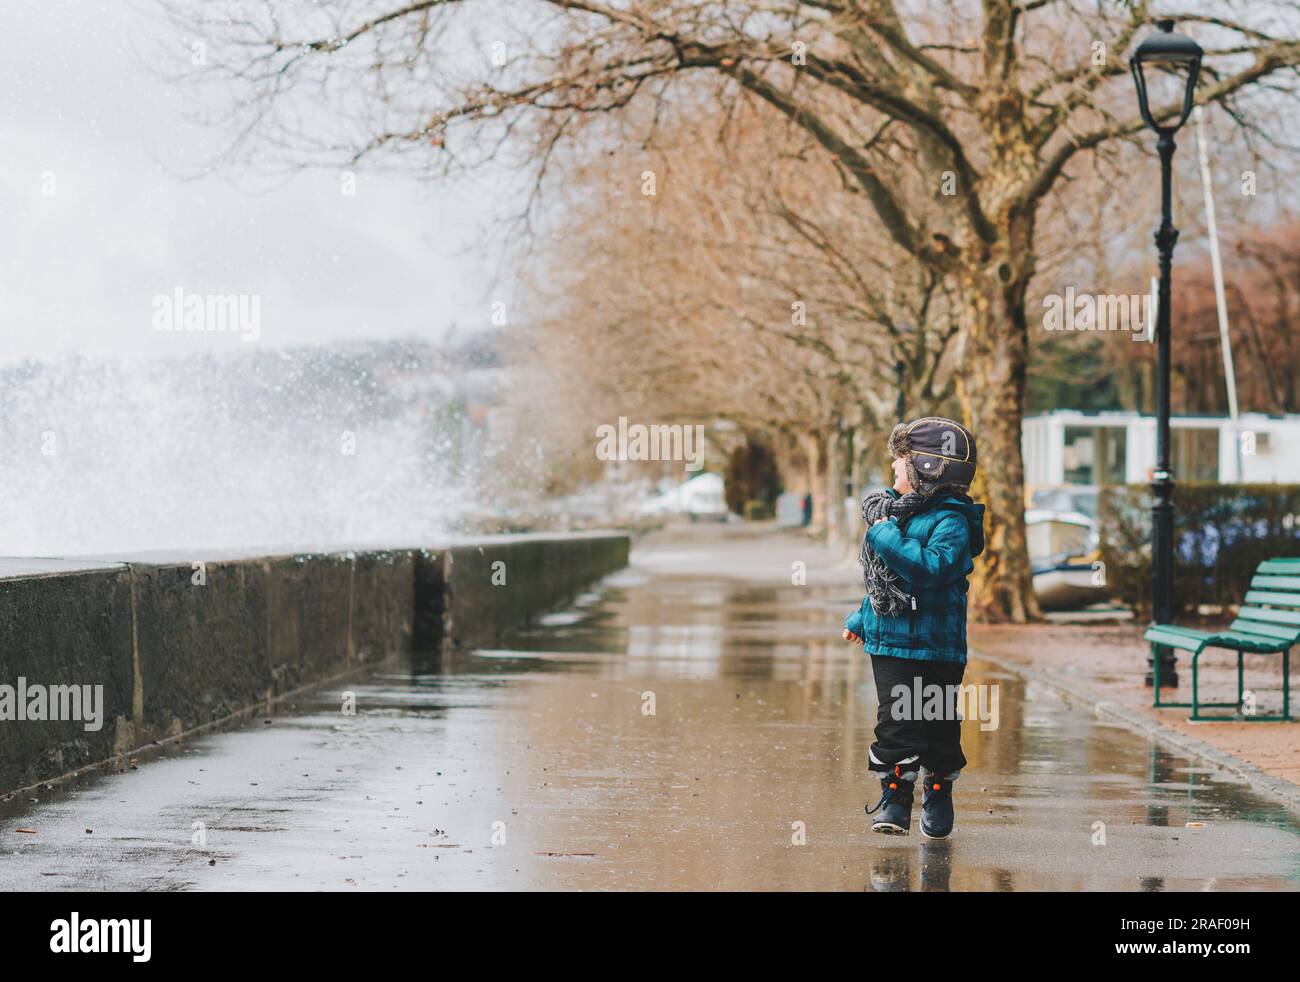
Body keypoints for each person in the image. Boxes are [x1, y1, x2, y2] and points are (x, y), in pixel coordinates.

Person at [842, 417, 985, 838]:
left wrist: (884, 534)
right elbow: (887, 583)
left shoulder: (953, 520)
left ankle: (938, 790)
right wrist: (859, 618)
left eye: (899, 464)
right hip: (890, 641)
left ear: (925, 469)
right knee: (896, 725)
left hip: (937, 643)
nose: (892, 472)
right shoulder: (891, 513)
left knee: (938, 724)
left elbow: (930, 568)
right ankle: (897, 796)